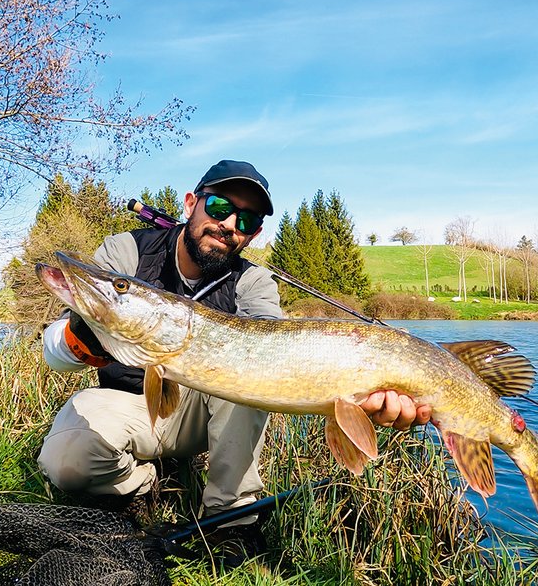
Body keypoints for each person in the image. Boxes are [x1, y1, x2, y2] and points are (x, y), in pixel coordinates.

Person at [37, 159, 431, 563]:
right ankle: (143, 485)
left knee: (246, 380)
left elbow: (275, 355)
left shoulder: (252, 282)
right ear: (192, 203)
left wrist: (358, 401)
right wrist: (85, 333)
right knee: (67, 461)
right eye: (221, 208)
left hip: (204, 413)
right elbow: (55, 354)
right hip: (127, 403)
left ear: (254, 233)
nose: (230, 225)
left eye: (246, 221)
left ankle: (231, 520)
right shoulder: (127, 252)